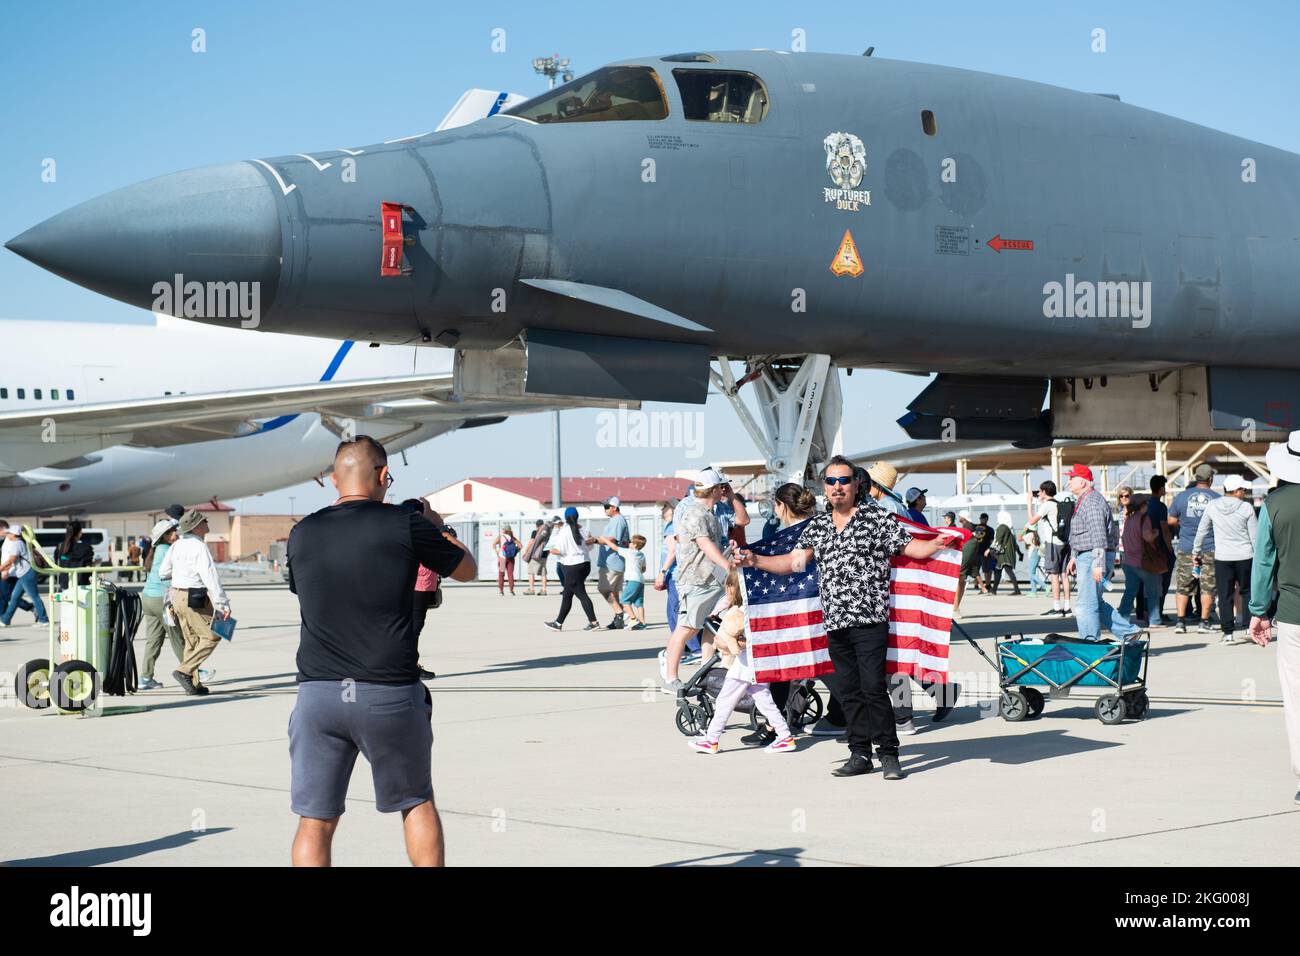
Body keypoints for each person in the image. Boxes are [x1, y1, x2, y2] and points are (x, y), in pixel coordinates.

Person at [286, 435, 475, 867]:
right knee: (416, 803)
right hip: (387, 691)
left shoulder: (302, 532)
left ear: (334, 480)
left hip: (317, 695)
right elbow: (466, 569)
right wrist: (437, 526)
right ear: (385, 475)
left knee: (314, 820)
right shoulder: (405, 525)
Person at [736, 456, 949, 780]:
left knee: (873, 688)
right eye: (831, 481)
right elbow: (793, 563)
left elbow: (911, 549)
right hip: (835, 623)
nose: (838, 487)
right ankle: (859, 753)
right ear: (825, 488)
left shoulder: (875, 520)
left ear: (855, 485)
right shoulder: (818, 526)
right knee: (848, 691)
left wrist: (935, 543)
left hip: (870, 622)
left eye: (844, 480)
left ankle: (889, 755)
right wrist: (756, 560)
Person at [745, 482, 849, 742]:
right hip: (820, 605)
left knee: (822, 666)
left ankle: (860, 719)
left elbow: (793, 565)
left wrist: (752, 559)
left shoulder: (792, 536)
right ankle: (776, 724)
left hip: (809, 608)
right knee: (792, 664)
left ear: (782, 506)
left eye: (775, 505)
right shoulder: (822, 525)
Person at [1247, 431, 1300, 805]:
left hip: (1294, 615)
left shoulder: (1274, 504)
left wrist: (1258, 611)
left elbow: (1264, 561)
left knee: (1297, 698)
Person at [688, 570, 796, 754]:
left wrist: (730, 643)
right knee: (765, 702)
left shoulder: (740, 612)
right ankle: (785, 736)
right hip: (756, 664)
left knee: (725, 700)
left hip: (745, 666)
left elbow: (748, 641)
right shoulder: (757, 609)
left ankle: (711, 739)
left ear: (733, 589)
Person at [661, 468, 735, 695]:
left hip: (711, 579)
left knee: (711, 624)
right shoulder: (696, 513)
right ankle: (671, 678)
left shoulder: (708, 512)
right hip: (696, 581)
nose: (723, 491)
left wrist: (728, 554)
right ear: (714, 490)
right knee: (687, 627)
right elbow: (705, 545)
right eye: (721, 487)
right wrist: (727, 565)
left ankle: (706, 670)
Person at [159, 509, 232, 695]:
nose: (207, 524)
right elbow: (210, 578)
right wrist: (222, 604)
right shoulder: (199, 547)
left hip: (176, 595)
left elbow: (163, 572)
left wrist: (181, 575)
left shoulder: (176, 545)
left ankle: (193, 685)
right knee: (212, 636)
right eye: (205, 521)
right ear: (197, 526)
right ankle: (184, 671)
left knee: (191, 641)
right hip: (194, 596)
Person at [1065, 464, 1140, 642]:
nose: (1068, 482)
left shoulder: (1091, 502)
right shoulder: (1086, 500)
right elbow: (1083, 533)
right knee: (1094, 601)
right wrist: (1074, 556)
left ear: (1082, 482)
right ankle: (1128, 632)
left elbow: (1098, 534)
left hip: (1092, 556)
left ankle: (1090, 644)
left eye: (1071, 478)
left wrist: (1097, 564)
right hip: (1088, 555)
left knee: (1085, 605)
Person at [1194, 474, 1258, 645]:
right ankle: (1248, 628)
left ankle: (1228, 633)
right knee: (1247, 593)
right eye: (1243, 489)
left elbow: (1202, 530)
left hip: (1223, 557)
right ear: (1236, 491)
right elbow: (1255, 537)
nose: (1244, 492)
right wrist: (1259, 556)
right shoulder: (1246, 508)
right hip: (1245, 556)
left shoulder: (1213, 506)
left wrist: (1196, 552)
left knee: (1225, 595)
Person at [1170, 463, 1221, 633]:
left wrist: (1184, 523)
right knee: (1208, 586)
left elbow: (1170, 520)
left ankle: (1180, 622)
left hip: (1186, 547)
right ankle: (1204, 622)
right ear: (1211, 479)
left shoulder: (1182, 497)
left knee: (1183, 586)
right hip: (1209, 547)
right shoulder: (1217, 498)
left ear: (1196, 478)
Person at [139, 518, 186, 690]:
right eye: (173, 531)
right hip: (162, 600)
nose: (176, 533)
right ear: (165, 536)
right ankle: (192, 670)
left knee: (153, 641)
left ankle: (145, 678)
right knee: (178, 638)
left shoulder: (157, 549)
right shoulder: (170, 549)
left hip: (148, 599)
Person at [401, 498, 443, 679]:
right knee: (414, 626)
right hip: (418, 585)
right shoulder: (416, 531)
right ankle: (410, 665)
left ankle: (409, 663)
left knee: (413, 626)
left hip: (421, 584)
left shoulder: (410, 530)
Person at [544, 507, 600, 631]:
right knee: (567, 594)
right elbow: (590, 548)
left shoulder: (564, 531)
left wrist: (550, 549)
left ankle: (594, 622)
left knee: (581, 594)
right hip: (585, 564)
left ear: (565, 518)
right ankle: (558, 623)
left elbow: (560, 550)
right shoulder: (585, 530)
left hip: (571, 566)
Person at [1117, 494, 1167, 629]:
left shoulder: (1129, 519)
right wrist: (1156, 533)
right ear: (1143, 505)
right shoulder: (1144, 519)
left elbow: (1123, 538)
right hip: (1143, 561)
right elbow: (1148, 537)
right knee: (1153, 592)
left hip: (1129, 560)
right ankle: (1155, 620)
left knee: (1130, 592)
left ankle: (1122, 618)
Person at [1027, 480, 1072, 617]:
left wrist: (1029, 504)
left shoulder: (1046, 505)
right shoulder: (1059, 504)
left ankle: (1056, 608)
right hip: (1065, 542)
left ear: (1045, 492)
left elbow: (1031, 522)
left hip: (1053, 543)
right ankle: (1067, 607)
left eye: (1040, 491)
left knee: (1054, 575)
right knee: (1064, 575)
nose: (1038, 494)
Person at [0, 523, 49, 628]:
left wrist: (1, 568)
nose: (7, 534)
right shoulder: (19, 542)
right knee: (14, 597)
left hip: (27, 573)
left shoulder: (16, 544)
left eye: (9, 533)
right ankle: (5, 620)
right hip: (23, 573)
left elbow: (11, 560)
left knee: (34, 596)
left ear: (13, 534)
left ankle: (43, 619)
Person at [595, 497, 631, 628]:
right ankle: (620, 619)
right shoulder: (616, 520)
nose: (604, 509)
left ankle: (621, 613)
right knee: (614, 593)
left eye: (606, 507)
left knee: (603, 588)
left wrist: (595, 540)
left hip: (612, 562)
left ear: (614, 508)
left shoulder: (617, 521)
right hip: (614, 562)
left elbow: (612, 539)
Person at [952, 511, 987, 619]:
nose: (959, 518)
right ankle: (956, 608)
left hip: (967, 550)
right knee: (961, 580)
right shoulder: (969, 525)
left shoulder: (966, 526)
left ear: (963, 517)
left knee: (960, 578)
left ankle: (955, 608)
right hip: (971, 550)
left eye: (960, 516)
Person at [52, 520, 95, 591]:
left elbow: (57, 563)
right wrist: (95, 563)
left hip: (64, 583)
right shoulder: (86, 548)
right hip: (82, 585)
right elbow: (88, 567)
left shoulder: (60, 547)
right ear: (79, 533)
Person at [990, 511, 1023, 596]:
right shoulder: (1010, 529)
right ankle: (994, 590)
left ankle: (1017, 590)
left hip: (1004, 554)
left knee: (1007, 570)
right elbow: (1015, 544)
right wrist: (1019, 553)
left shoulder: (1002, 527)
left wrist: (991, 550)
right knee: (998, 571)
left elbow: (998, 540)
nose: (997, 520)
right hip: (1006, 553)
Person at [521, 518, 552, 596]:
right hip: (544, 554)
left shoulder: (536, 532)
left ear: (537, 526)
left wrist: (526, 551)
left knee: (531, 572)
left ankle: (531, 589)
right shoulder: (548, 532)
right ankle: (544, 590)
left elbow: (532, 542)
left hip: (535, 555)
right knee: (543, 572)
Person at [493, 525, 520, 595]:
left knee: (501, 574)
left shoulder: (501, 537)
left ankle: (501, 591)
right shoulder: (512, 538)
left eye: (503, 529)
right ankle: (511, 591)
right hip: (511, 558)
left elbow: (493, 544)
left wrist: (497, 552)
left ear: (505, 530)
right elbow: (520, 546)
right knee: (510, 574)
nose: (502, 530)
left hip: (502, 558)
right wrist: (515, 552)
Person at [1023, 528, 1046, 595]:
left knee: (1031, 574)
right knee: (1032, 573)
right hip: (1036, 553)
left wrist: (1024, 530)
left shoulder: (1030, 534)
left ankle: (1045, 586)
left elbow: (1020, 538)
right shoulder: (1035, 534)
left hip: (1033, 554)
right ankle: (1033, 591)